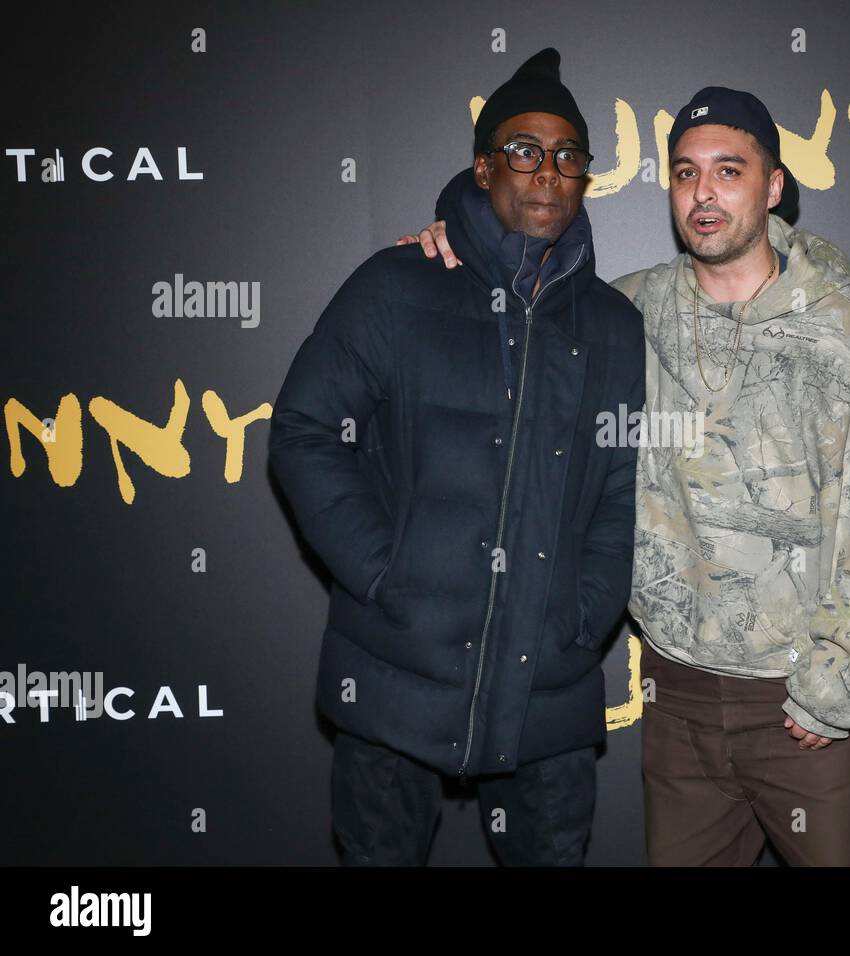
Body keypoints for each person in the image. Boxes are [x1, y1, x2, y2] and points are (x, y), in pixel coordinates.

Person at [402, 85, 850, 866]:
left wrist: (837, 690)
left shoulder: (843, 329)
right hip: (678, 702)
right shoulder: (629, 315)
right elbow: (518, 312)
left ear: (773, 186)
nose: (704, 193)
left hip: (803, 709)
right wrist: (459, 234)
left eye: (728, 170)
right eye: (685, 173)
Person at [269, 48, 645, 866]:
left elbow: (624, 486)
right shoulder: (397, 286)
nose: (546, 172)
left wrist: (586, 615)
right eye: (522, 150)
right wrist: (382, 572)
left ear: (584, 176)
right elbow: (303, 430)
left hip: (549, 689)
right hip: (395, 678)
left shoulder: (615, 325)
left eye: (568, 156)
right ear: (482, 168)